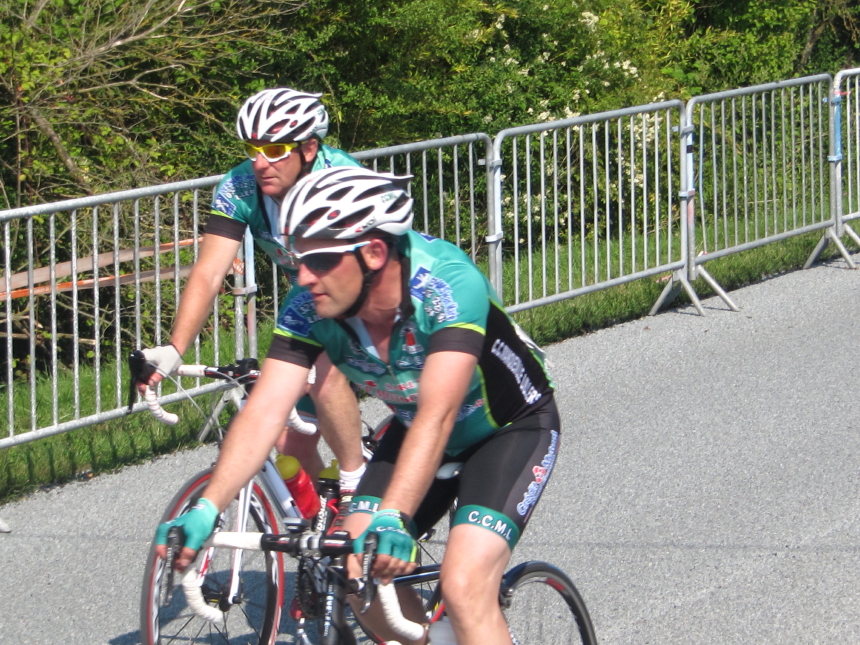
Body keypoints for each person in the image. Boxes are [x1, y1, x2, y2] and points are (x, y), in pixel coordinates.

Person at [156, 167, 560, 645]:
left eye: (321, 260)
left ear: (373, 252)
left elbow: (439, 414)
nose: (304, 276)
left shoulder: (446, 285)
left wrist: (393, 516)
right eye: (300, 258)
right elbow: (265, 410)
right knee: (354, 573)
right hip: (414, 428)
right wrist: (208, 507)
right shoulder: (308, 305)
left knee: (465, 586)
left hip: (508, 428)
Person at [138, 88, 366, 491]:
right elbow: (209, 272)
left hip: (361, 293)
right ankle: (328, 530)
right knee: (290, 444)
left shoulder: (341, 181)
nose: (261, 163)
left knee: (325, 377)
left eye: (276, 149)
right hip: (308, 295)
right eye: (253, 148)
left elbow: (358, 277)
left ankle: (356, 490)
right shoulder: (240, 186)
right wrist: (175, 349)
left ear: (309, 148)